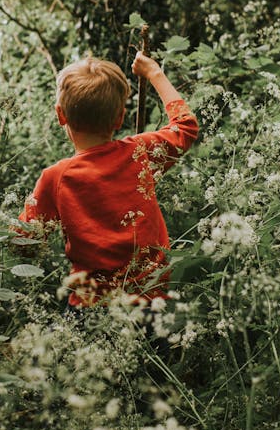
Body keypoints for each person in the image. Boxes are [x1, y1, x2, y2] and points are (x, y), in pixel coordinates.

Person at [15, 51, 199, 307]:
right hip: (150, 302)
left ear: (60, 115)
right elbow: (186, 127)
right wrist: (153, 72)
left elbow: (23, 243)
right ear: (120, 118)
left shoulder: (55, 178)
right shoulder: (139, 152)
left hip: (90, 307)